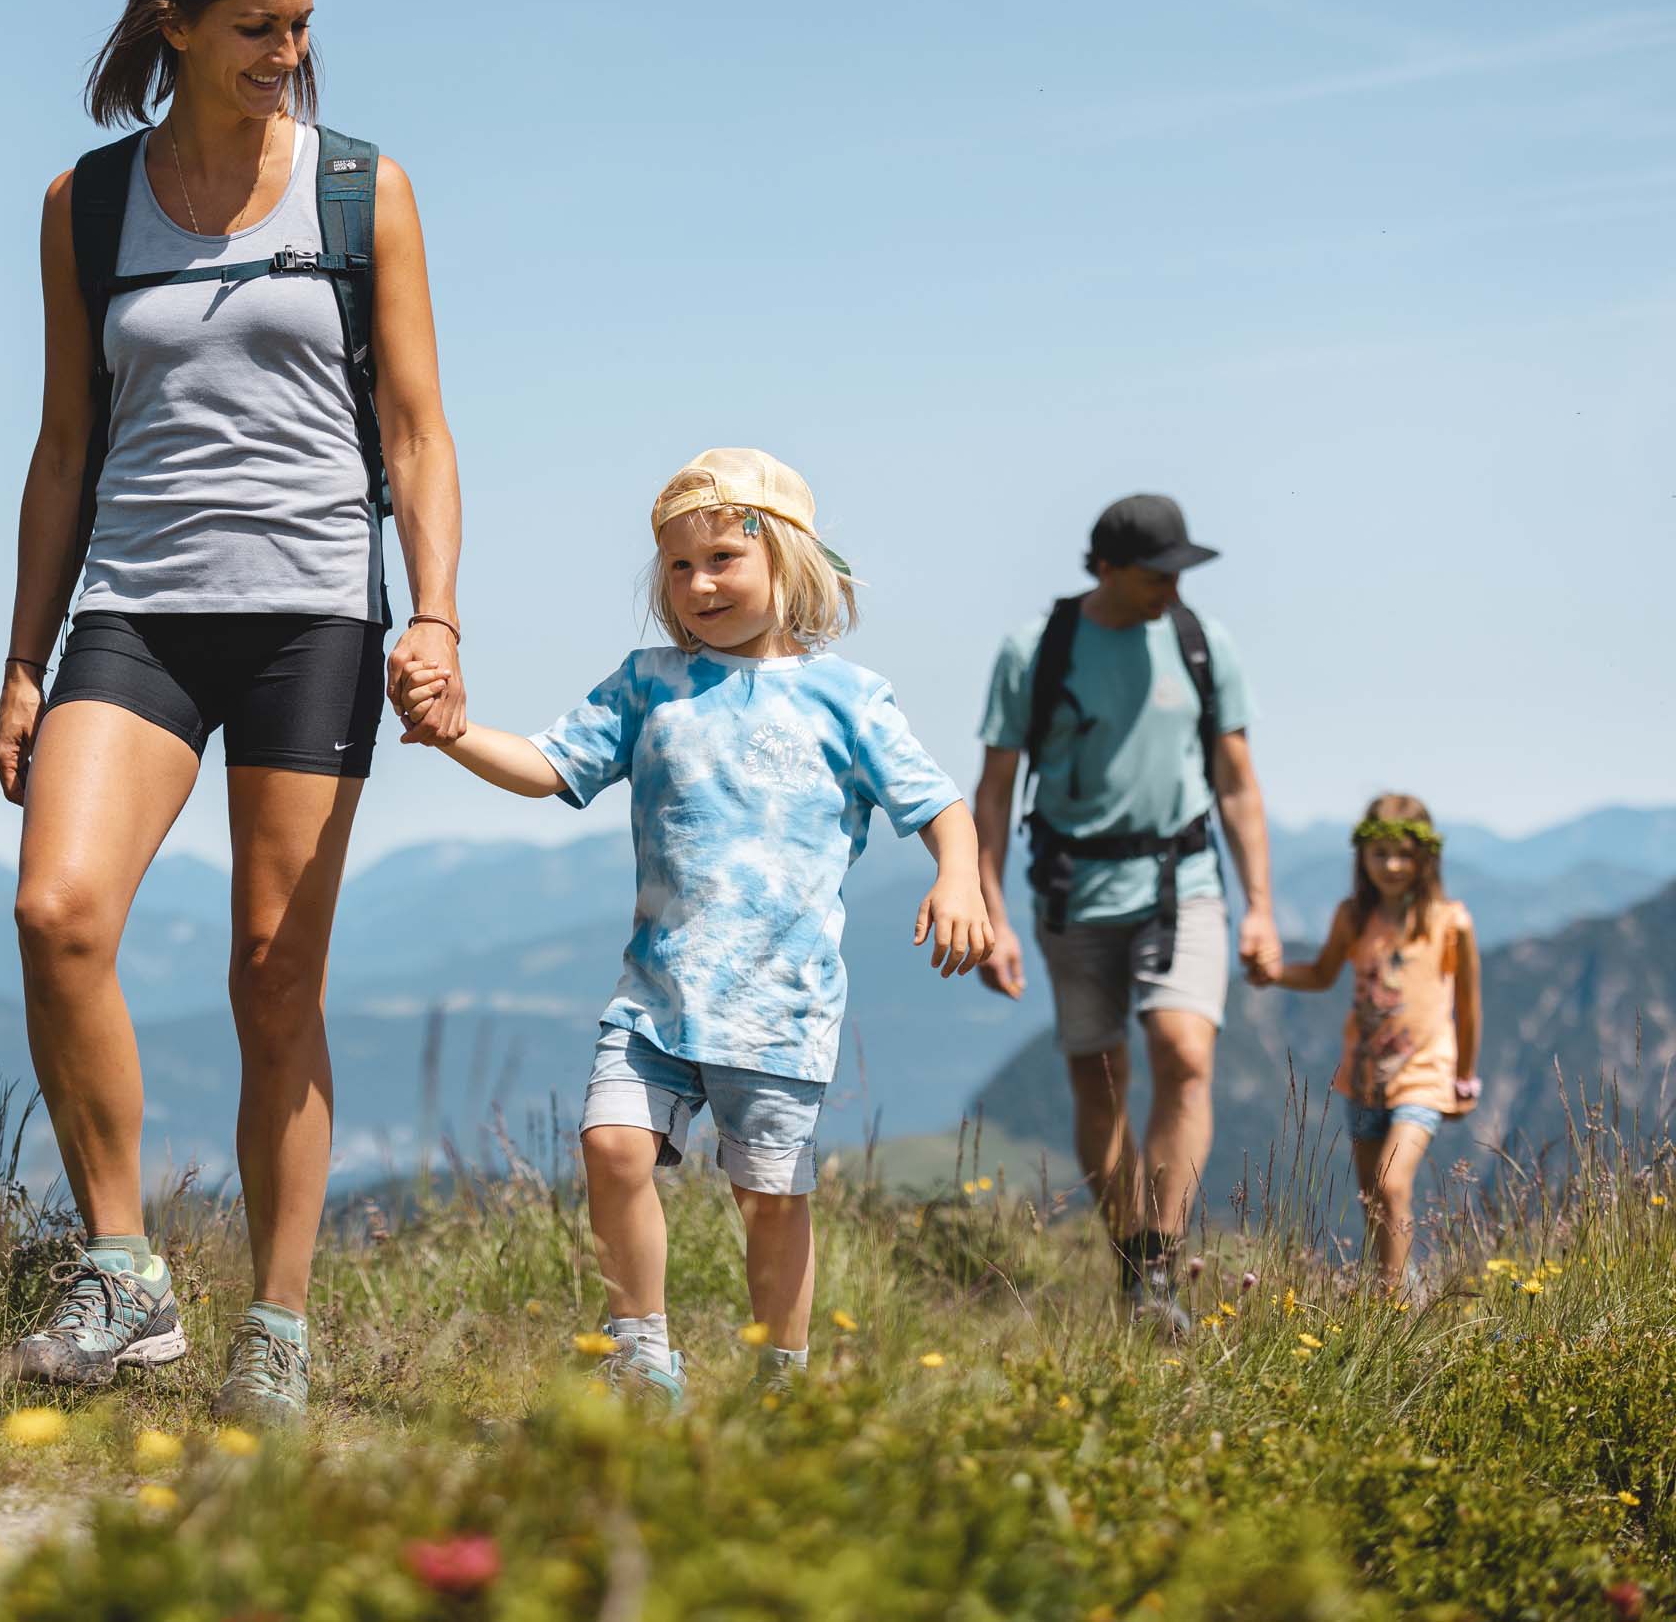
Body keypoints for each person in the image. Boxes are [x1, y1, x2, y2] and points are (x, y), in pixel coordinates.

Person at [0, 0, 467, 1427]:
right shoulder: (87, 206)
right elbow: (65, 445)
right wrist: (20, 655)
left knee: (275, 972)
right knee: (56, 912)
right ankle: (126, 1273)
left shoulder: (359, 188)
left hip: (311, 613)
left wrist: (434, 612)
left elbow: (415, 428)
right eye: (258, 25)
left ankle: (277, 1322)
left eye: (301, 23)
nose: (287, 54)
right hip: (131, 605)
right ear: (178, 21)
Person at [399, 449, 992, 1406]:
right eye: (678, 567)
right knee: (611, 1148)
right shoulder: (648, 683)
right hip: (657, 994)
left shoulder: (851, 697)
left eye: (723, 558)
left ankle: (780, 1383)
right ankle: (641, 1355)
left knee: (769, 1200)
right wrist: (454, 732)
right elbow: (551, 765)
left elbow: (938, 802)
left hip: (779, 1006)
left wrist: (958, 877)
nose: (699, 583)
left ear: (788, 565)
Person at [969, 495, 1280, 1333]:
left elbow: (1238, 784)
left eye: (1181, 571)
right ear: (1105, 566)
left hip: (1184, 882)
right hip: (1073, 889)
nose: (1171, 589)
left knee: (1184, 1051)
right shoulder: (1035, 651)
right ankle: (1134, 1261)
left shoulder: (1203, 646)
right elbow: (994, 791)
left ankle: (1162, 1260)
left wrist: (1262, 910)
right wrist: (991, 911)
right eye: (1155, 573)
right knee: (1098, 1077)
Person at [1256, 795, 1480, 1296]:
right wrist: (1273, 973)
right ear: (1363, 856)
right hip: (1362, 1080)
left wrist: (1465, 1077)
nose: (1393, 865)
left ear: (1427, 857)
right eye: (1381, 853)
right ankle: (1405, 1287)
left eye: (1404, 853)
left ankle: (1392, 1308)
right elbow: (1320, 974)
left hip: (1424, 1077)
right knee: (1373, 1199)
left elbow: (1468, 1007)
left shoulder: (1451, 922)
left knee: (1391, 1182)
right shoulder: (1353, 917)